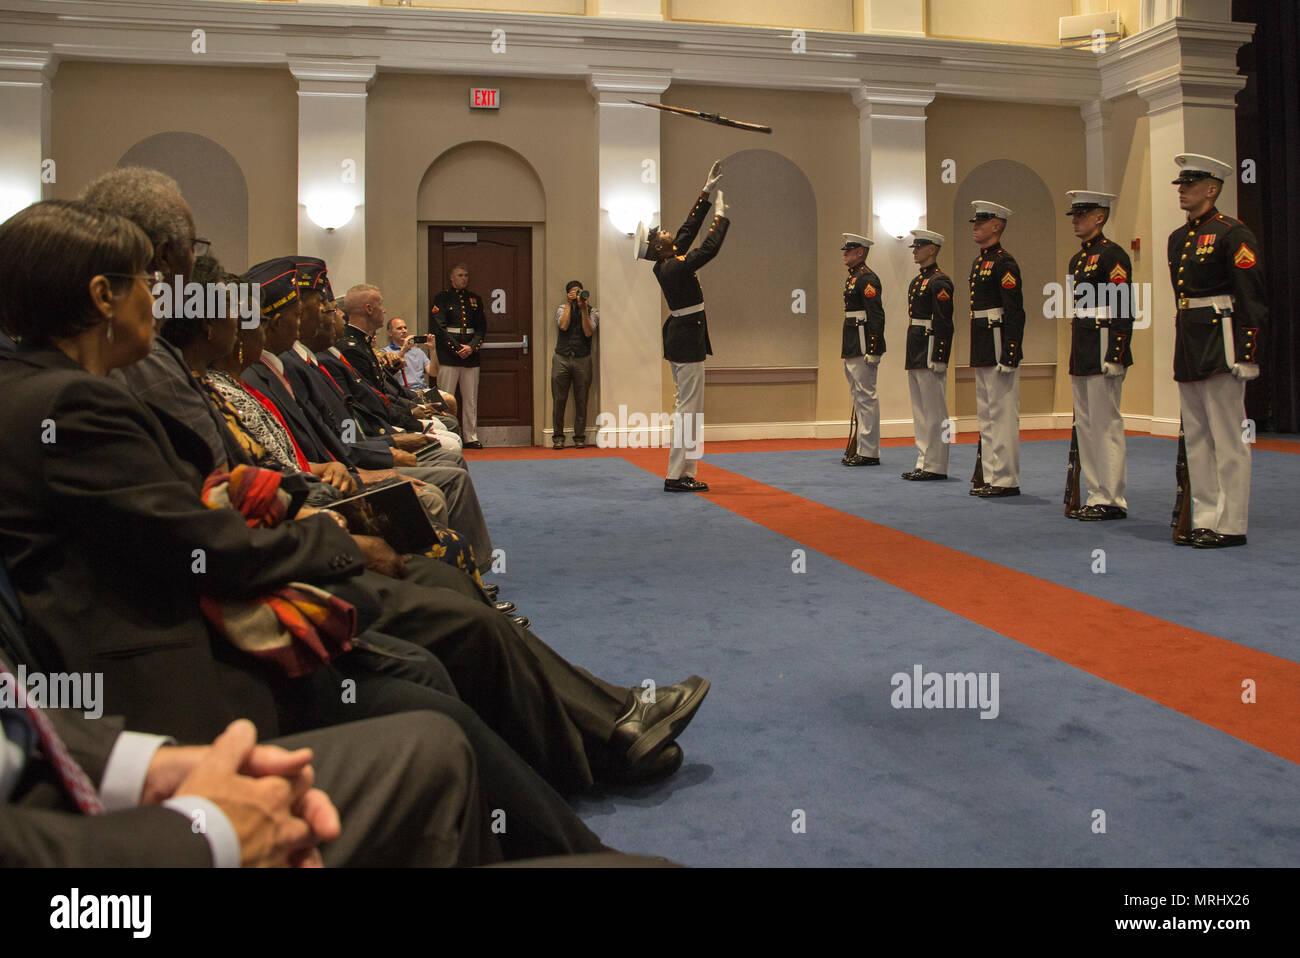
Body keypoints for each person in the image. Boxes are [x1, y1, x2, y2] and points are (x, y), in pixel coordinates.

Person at [1166, 154, 1267, 548]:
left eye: (1190, 184)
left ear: (1212, 189)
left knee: (1228, 437)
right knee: (1196, 436)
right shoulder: (1177, 237)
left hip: (1221, 336)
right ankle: (1204, 517)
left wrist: (1247, 351)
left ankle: (1232, 522)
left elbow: (1251, 296)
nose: (1182, 190)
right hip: (1190, 339)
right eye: (1180, 184)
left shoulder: (1232, 233)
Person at [639, 160, 729, 492]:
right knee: (688, 410)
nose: (667, 232)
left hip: (684, 336)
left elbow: (688, 232)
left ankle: (685, 471)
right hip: (686, 338)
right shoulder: (672, 267)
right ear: (659, 248)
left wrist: (706, 193)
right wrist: (720, 217)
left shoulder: (667, 261)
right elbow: (708, 248)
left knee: (690, 408)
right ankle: (676, 475)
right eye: (660, 234)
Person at [1065, 191, 1134, 520]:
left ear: (1100, 217)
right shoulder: (1076, 260)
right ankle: (1095, 493)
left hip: (1104, 341)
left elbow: (1122, 306)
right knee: (1087, 424)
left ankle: (1111, 497)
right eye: (1075, 214)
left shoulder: (1113, 255)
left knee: (1106, 424)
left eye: (1083, 213)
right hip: (1083, 346)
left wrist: (1118, 351)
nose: (1076, 219)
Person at [967, 200, 1026, 498]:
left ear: (997, 225)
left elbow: (1015, 310)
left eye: (982, 222)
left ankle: (1006, 478)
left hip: (998, 339)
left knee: (1002, 413)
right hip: (982, 340)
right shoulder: (980, 261)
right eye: (975, 222)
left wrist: (1011, 351)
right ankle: (991, 474)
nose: (975, 227)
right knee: (987, 412)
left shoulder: (1005, 262)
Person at [901, 229, 954, 481]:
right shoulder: (918, 281)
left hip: (930, 346)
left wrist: (941, 355)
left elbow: (944, 321)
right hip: (916, 346)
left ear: (932, 249)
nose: (915, 251)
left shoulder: (940, 281)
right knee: (920, 410)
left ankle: (937, 464)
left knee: (935, 411)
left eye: (919, 247)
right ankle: (923, 460)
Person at [839, 233, 886, 467]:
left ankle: (869, 451)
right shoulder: (854, 277)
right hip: (852, 341)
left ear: (860, 253)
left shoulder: (867, 278)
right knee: (858, 396)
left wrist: (874, 348)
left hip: (862, 341)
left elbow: (875, 315)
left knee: (866, 396)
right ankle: (861, 445)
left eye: (849, 250)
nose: (845, 254)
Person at [430, 264, 489, 448]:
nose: (464, 278)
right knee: (446, 396)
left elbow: (481, 328)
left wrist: (471, 347)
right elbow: (438, 328)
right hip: (448, 355)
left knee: (470, 399)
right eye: (460, 275)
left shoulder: (475, 299)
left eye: (466, 275)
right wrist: (456, 348)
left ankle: (470, 436)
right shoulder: (442, 298)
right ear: (451, 278)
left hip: (470, 356)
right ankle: (447, 434)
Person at [552, 280, 598, 450]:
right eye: (573, 293)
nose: (577, 295)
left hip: (583, 358)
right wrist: (569, 304)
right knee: (559, 400)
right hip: (561, 358)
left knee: (581, 399)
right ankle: (558, 437)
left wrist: (583, 308)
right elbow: (563, 326)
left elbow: (588, 331)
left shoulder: (592, 310)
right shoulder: (562, 308)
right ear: (567, 294)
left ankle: (579, 437)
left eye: (579, 292)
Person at [384, 316, 434, 392]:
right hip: (403, 392)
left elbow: (434, 372)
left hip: (423, 389)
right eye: (399, 328)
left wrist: (433, 349)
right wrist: (403, 350)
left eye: (405, 328)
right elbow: (387, 375)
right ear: (390, 333)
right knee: (448, 399)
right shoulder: (385, 352)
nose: (404, 331)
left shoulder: (418, 351)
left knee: (449, 399)